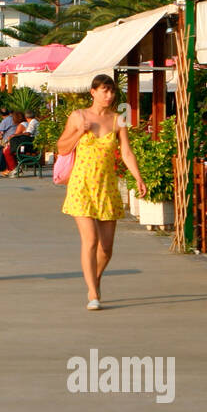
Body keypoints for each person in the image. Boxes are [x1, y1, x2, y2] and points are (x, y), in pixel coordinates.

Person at [56, 74, 146, 310]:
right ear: (93, 92)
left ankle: (93, 281)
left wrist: (138, 178)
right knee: (91, 240)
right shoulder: (78, 116)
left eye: (112, 91)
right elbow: (62, 147)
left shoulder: (118, 120)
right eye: (104, 91)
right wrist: (79, 132)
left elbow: (126, 152)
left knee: (106, 249)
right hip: (81, 186)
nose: (109, 95)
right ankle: (93, 293)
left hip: (107, 187)